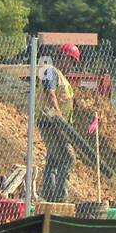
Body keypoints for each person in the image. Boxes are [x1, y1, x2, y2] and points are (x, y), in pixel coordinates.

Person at [36, 44, 80, 203]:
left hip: (57, 124)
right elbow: (50, 93)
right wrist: (59, 116)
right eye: (71, 61)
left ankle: (48, 196)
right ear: (64, 57)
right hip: (51, 122)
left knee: (53, 160)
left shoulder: (61, 76)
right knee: (67, 157)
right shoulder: (50, 71)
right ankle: (60, 198)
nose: (72, 66)